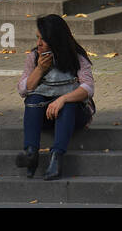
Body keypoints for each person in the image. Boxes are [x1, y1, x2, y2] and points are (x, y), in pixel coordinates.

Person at [16, 14, 95, 180]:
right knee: (33, 99)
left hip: (73, 115)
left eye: (43, 40)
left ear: (56, 40)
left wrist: (63, 99)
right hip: (45, 114)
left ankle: (56, 157)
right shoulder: (34, 57)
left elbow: (88, 88)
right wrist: (39, 69)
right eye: (37, 38)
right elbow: (23, 89)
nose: (38, 43)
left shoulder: (76, 57)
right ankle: (31, 154)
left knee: (69, 105)